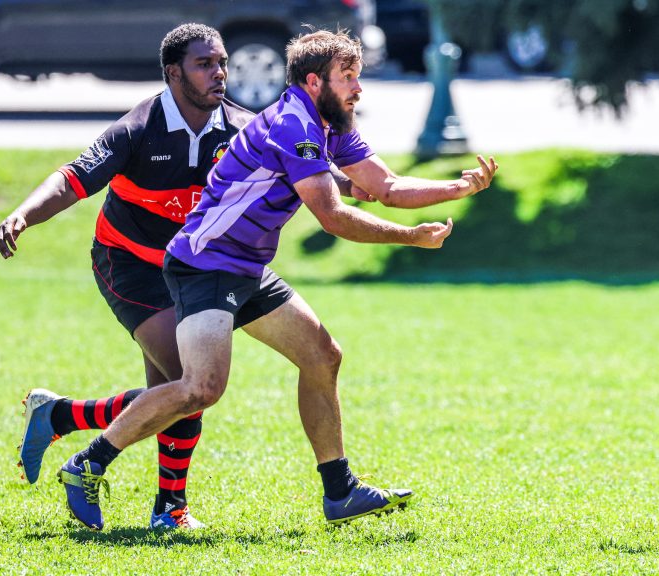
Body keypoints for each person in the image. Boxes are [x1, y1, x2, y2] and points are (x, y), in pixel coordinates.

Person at [55, 28, 498, 531]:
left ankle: (340, 492)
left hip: (245, 264)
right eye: (347, 78)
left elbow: (386, 186)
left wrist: (457, 187)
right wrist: (410, 238)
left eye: (357, 77)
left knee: (322, 355)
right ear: (314, 81)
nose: (358, 89)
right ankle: (86, 465)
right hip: (206, 263)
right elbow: (333, 217)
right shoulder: (294, 125)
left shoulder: (331, 123)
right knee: (201, 387)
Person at [0, 23, 255, 529]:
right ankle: (165, 506)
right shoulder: (138, 128)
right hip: (128, 265)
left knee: (179, 392)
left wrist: (371, 187)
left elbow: (302, 169)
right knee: (190, 382)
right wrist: (23, 214)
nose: (219, 73)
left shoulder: (242, 129)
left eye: (222, 62)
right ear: (173, 73)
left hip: (189, 273)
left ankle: (69, 423)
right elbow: (71, 178)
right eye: (205, 64)